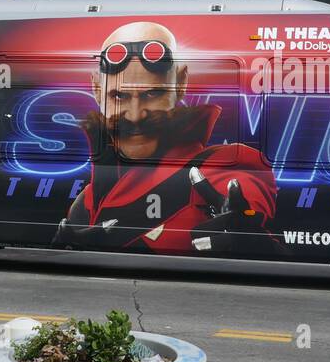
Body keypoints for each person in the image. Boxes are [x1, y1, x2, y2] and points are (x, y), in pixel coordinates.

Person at [55, 21, 280, 256]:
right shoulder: (89, 198)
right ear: (96, 90)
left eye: (152, 94)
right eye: (119, 95)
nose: (135, 115)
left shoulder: (218, 166)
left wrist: (249, 236)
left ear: (180, 83)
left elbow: (244, 193)